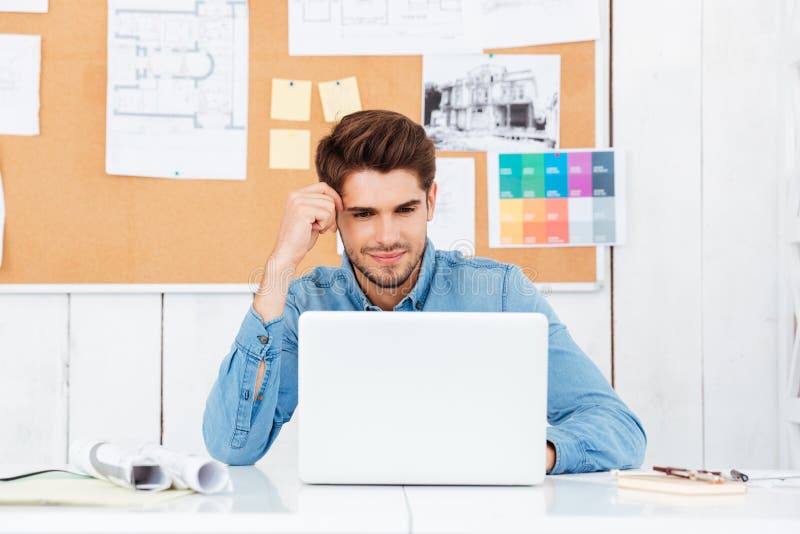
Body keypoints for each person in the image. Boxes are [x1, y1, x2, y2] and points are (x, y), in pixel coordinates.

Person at [203, 110, 646, 474]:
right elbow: (232, 446)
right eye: (363, 214)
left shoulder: (500, 294)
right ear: (333, 214)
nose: (387, 237)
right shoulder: (304, 303)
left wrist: (532, 454)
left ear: (431, 201)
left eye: (405, 209)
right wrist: (281, 264)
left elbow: (620, 429)